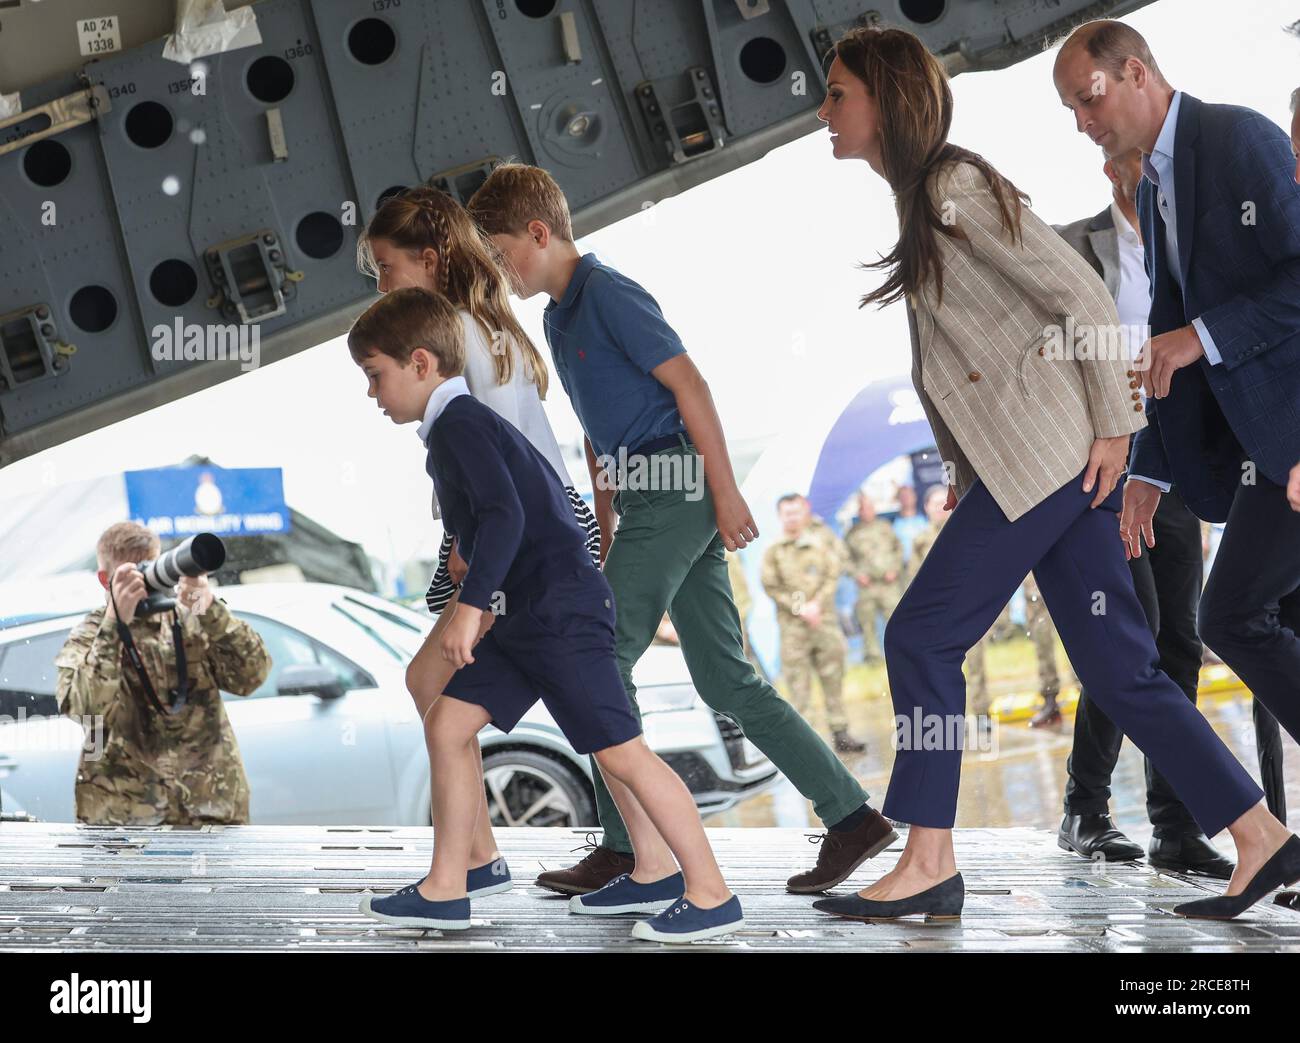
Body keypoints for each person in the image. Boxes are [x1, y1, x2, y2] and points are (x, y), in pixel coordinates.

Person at [810, 24, 1296, 924]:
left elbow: (1076, 294)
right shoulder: (923, 199)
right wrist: (966, 466)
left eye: (838, 93)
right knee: (1122, 672)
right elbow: (969, 362)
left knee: (920, 638)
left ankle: (927, 856)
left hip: (1048, 463)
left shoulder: (954, 186)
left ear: (885, 96)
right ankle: (1261, 835)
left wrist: (1115, 428)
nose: (824, 111)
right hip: (1035, 468)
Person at [469, 164, 897, 897]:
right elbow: (597, 442)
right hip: (645, 504)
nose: (500, 268)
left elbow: (690, 384)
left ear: (539, 234)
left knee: (596, 653)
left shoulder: (608, 294)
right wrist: (604, 534)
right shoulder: (556, 316)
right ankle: (852, 817)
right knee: (724, 676)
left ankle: (629, 847)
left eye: (502, 250)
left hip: (681, 487)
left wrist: (725, 493)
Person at [350, 287, 743, 942]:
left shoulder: (460, 426)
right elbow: (510, 515)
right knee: (448, 724)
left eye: (375, 375)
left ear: (420, 363)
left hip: (557, 614)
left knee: (623, 755)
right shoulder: (460, 428)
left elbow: (508, 513)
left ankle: (710, 891)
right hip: (525, 616)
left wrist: (469, 608)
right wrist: (472, 568)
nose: (372, 393)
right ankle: (448, 886)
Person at [1056, 20, 1300, 893]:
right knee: (1266, 625)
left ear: (1136, 73)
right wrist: (1149, 471)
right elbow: (1160, 343)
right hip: (1249, 458)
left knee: (1233, 619)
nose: (1085, 123)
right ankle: (1273, 844)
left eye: (1089, 100)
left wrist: (1201, 336)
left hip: (1288, 441)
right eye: (1071, 113)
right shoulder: (1159, 180)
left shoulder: (1238, 140)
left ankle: (1266, 843)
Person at [357, 186, 604, 895]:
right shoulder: (493, 326)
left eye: (386, 267)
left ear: (428, 262)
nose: (380, 283)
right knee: (444, 688)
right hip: (532, 524)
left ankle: (476, 860)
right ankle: (476, 854)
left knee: (438, 685)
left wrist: (475, 576)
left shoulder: (460, 334)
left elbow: (498, 469)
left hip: (515, 534)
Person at [1050, 147, 1234, 876]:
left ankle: (1176, 828)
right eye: (1130, 161)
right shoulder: (1072, 247)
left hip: (1173, 465)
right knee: (1137, 633)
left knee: (1181, 640)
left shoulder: (1188, 252)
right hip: (1101, 468)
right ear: (1108, 170)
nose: (1147, 175)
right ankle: (1083, 809)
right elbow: (1043, 354)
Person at [53, 522, 271, 825]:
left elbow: (252, 676)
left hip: (210, 811)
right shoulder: (90, 634)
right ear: (105, 579)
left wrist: (210, 609)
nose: (147, 581)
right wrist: (116, 626)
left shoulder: (193, 619)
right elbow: (84, 710)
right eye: (134, 573)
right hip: (125, 822)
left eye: (152, 567)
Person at [761, 493, 865, 752]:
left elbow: (832, 574)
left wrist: (817, 604)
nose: (792, 517)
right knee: (799, 686)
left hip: (824, 622)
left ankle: (841, 732)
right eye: (787, 513)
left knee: (833, 678)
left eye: (796, 512)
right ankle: (809, 745)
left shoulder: (820, 543)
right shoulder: (774, 550)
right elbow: (771, 586)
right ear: (781, 516)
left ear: (803, 513)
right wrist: (800, 608)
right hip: (793, 630)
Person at [843, 491, 903, 663]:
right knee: (867, 623)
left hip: (888, 584)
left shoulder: (885, 526)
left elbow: (898, 550)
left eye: (870, 507)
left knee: (895, 618)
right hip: (866, 587)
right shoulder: (852, 533)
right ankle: (872, 657)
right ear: (859, 511)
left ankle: (900, 652)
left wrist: (895, 569)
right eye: (863, 508)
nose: (867, 511)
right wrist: (857, 575)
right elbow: (845, 559)